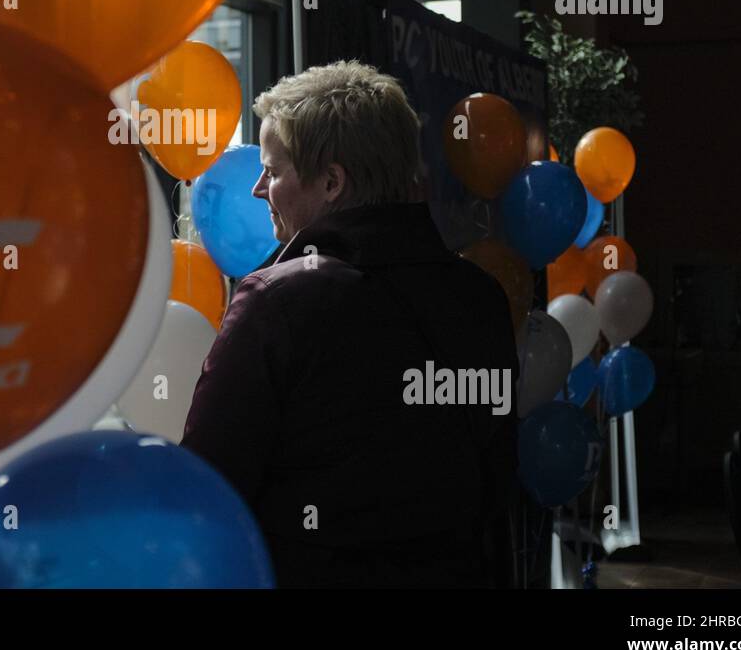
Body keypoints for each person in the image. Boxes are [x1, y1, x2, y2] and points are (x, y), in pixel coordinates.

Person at [180, 61, 519, 588]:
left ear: (332, 181)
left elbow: (205, 492)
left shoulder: (276, 303)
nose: (256, 190)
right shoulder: (482, 298)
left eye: (271, 170)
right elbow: (495, 489)